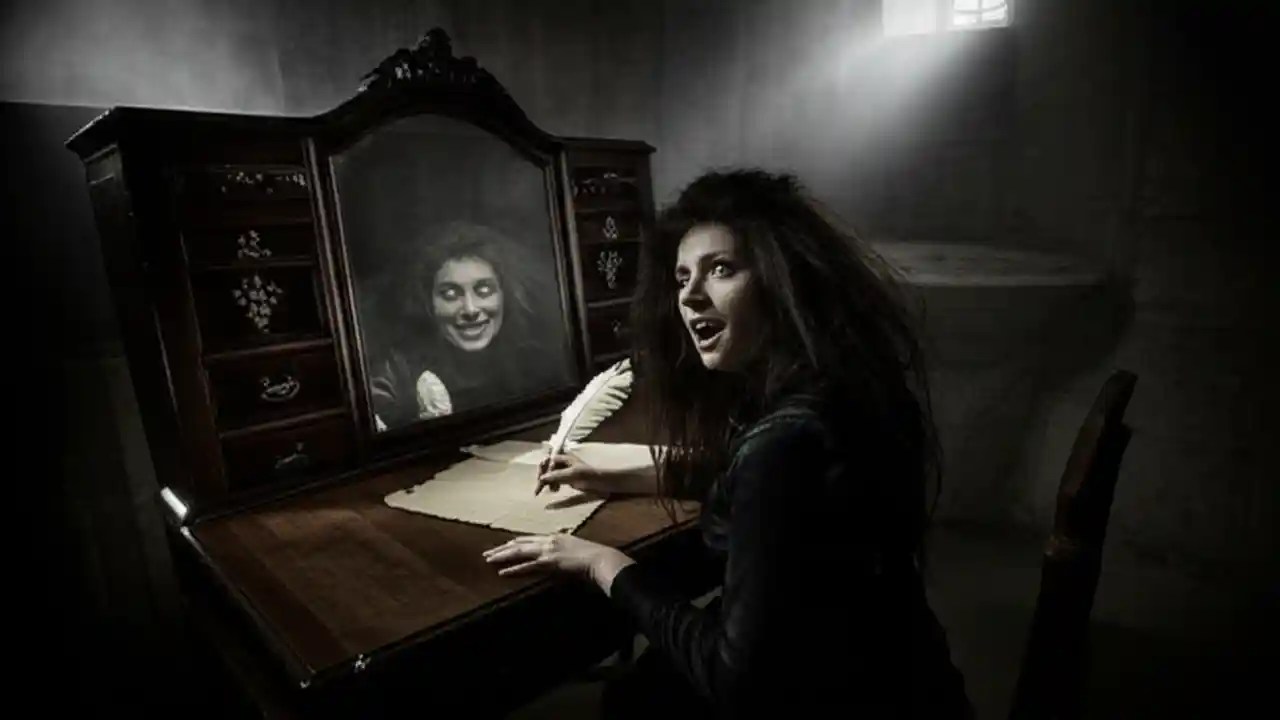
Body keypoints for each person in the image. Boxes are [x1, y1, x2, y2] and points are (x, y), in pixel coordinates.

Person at [482, 169, 973, 717]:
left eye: (720, 270)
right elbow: (761, 485)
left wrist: (603, 563)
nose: (690, 297)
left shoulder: (784, 445)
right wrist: (612, 476)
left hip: (843, 699)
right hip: (900, 672)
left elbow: (735, 680)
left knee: (638, 697)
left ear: (781, 281)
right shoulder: (838, 388)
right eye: (682, 276)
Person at [367, 221, 572, 430]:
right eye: (450, 294)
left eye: (483, 291)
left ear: (505, 295)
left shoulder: (537, 364)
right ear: (428, 304)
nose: (470, 309)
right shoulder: (396, 375)